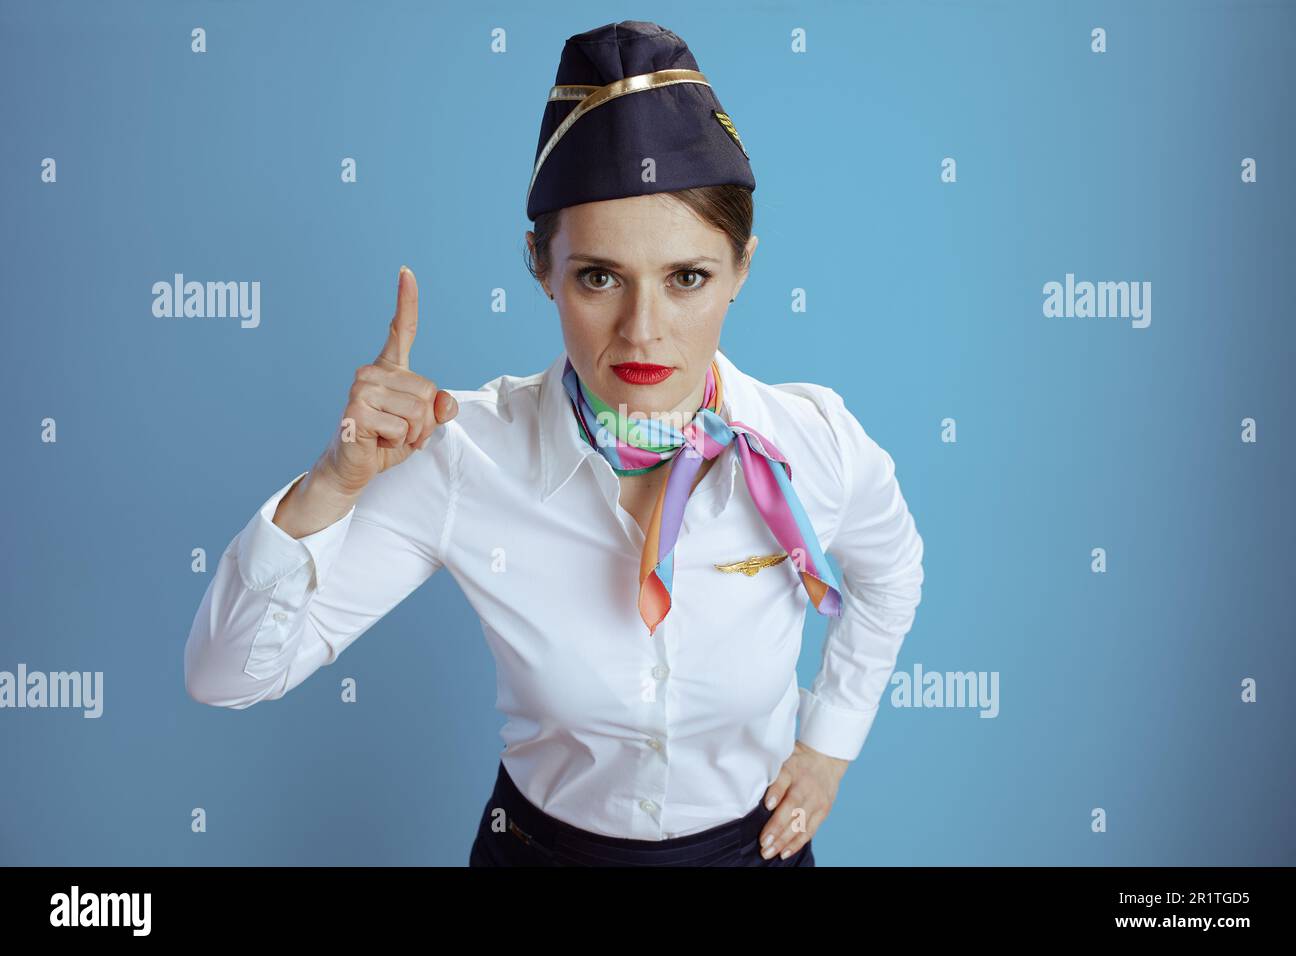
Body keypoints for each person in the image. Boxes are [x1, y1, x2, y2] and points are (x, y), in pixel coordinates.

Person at [183, 19, 924, 867]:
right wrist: (332, 483)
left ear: (742, 269)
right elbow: (226, 677)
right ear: (541, 266)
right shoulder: (461, 455)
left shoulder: (815, 444)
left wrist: (830, 745)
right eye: (599, 277)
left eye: (687, 278)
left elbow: (892, 575)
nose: (643, 331)